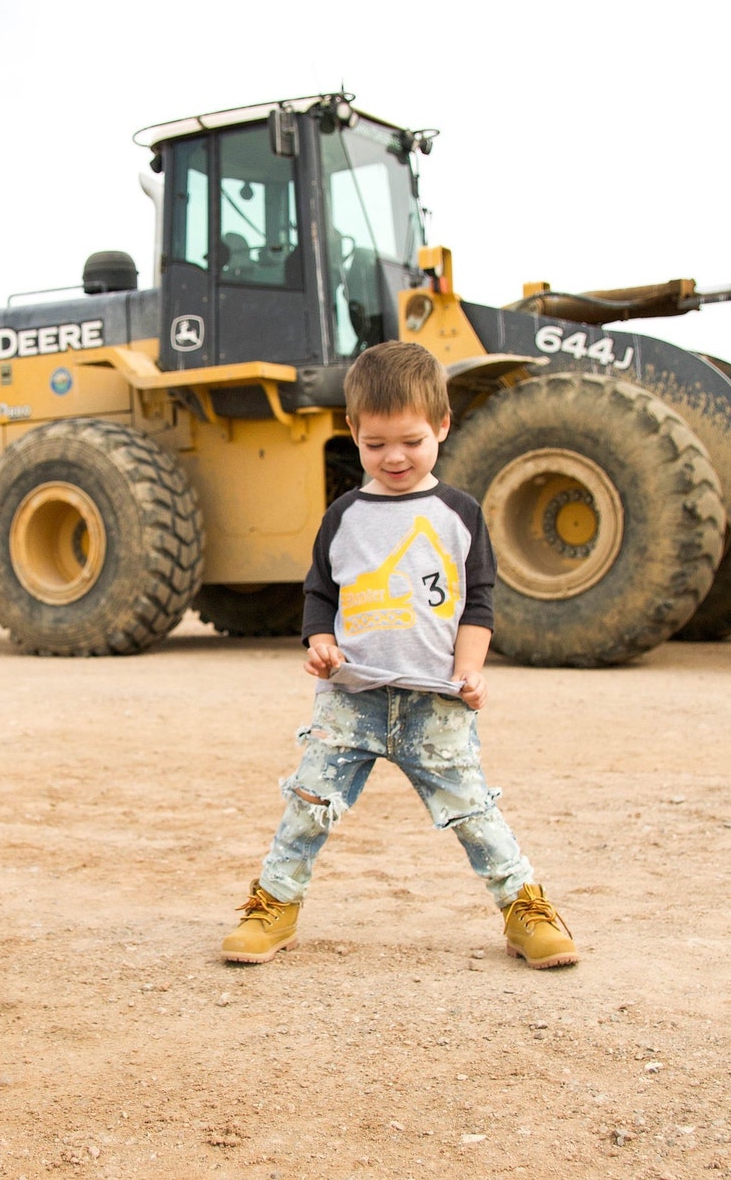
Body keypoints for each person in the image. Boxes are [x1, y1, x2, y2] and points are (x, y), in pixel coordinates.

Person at [222, 341, 578, 970]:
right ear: (354, 432)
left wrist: (470, 670)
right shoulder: (343, 518)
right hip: (350, 699)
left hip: (435, 703)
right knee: (307, 804)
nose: (394, 457)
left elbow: (478, 603)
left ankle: (525, 908)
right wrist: (321, 644)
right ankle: (274, 904)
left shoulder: (458, 514)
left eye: (411, 441)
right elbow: (320, 594)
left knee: (473, 810)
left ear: (442, 426)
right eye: (376, 442)